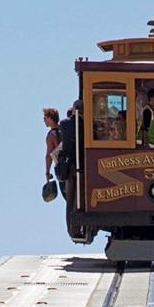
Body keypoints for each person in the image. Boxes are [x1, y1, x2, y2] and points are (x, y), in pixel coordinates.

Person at [59, 99, 86, 240]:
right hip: (80, 164)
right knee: (79, 197)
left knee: (70, 198)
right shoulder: (83, 125)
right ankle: (77, 227)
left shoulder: (63, 124)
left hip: (68, 166)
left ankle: (70, 228)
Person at [43, 107, 62, 183]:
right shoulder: (64, 128)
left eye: (45, 118)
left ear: (50, 118)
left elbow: (49, 156)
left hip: (63, 167)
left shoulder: (51, 135)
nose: (44, 121)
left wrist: (47, 172)